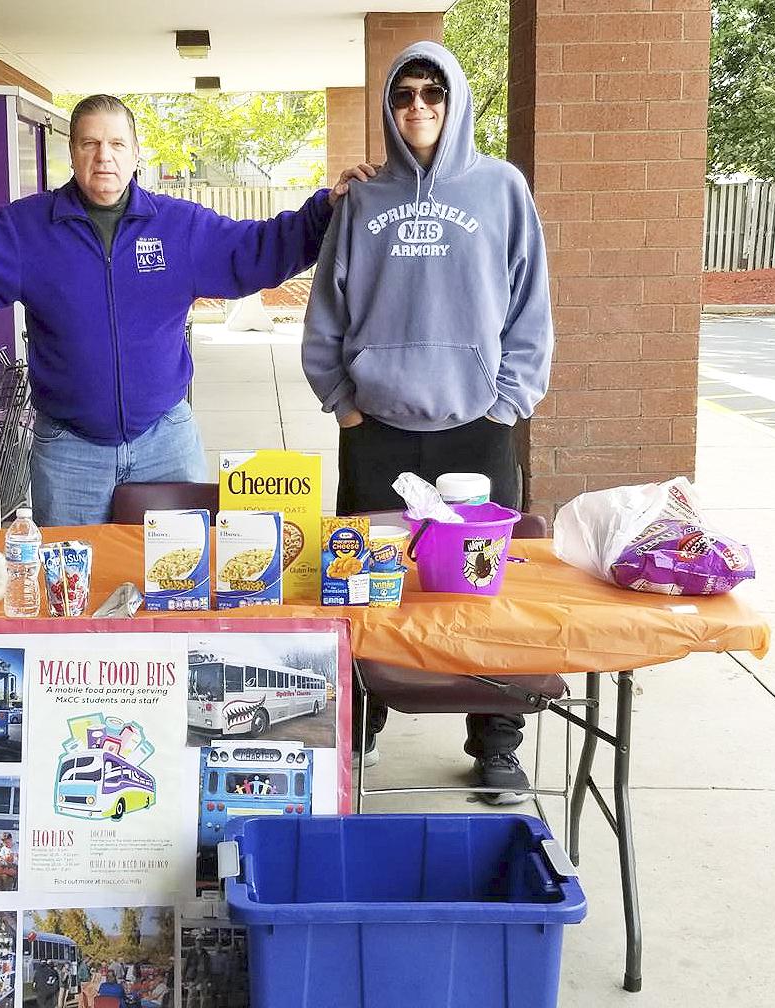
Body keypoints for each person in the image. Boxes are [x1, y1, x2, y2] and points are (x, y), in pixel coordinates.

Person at [0, 94, 352, 525]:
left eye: (117, 144)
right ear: (72, 153)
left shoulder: (179, 227)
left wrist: (322, 214)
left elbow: (255, 249)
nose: (105, 157)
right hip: (68, 450)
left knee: (179, 588)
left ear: (137, 153)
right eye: (91, 144)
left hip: (165, 438)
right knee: (72, 597)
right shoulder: (30, 230)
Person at [302, 41, 553, 803]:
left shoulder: (500, 189)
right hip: (375, 427)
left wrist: (505, 402)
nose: (417, 106)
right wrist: (343, 403)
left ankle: (495, 742)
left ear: (455, 103)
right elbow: (327, 309)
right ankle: (364, 728)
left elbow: (529, 307)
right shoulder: (363, 201)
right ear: (388, 106)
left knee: (480, 593)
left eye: (432, 94)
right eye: (405, 93)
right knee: (367, 592)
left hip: (475, 426)